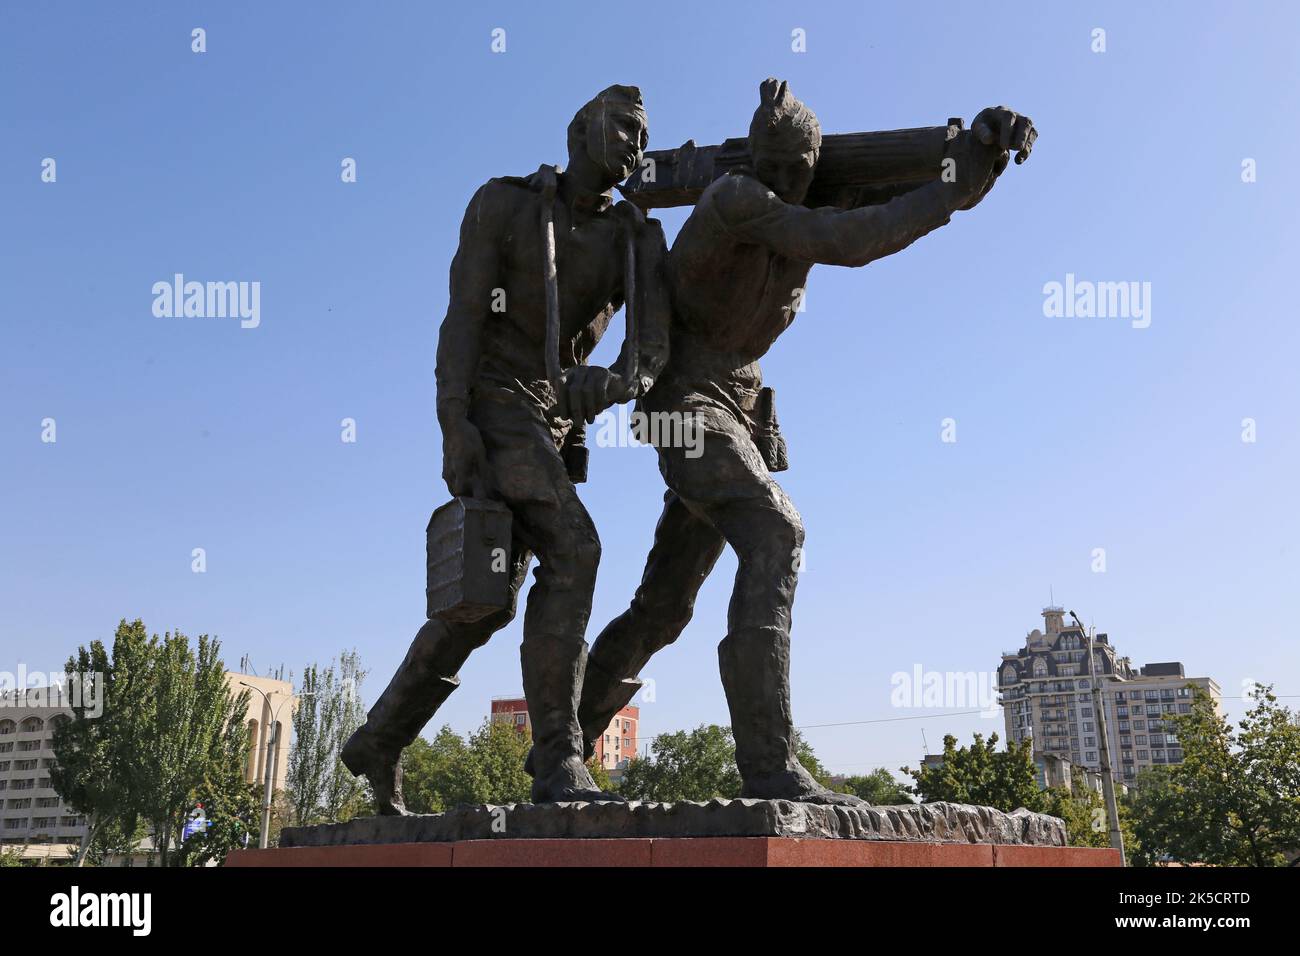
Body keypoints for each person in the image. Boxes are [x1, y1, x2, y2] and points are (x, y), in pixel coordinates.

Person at [342, 85, 671, 812]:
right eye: (622, 128)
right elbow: (462, 317)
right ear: (580, 131)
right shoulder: (505, 204)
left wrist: (616, 381)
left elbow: (651, 345)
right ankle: (558, 755)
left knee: (486, 604)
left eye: (644, 136)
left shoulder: (632, 236)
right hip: (494, 404)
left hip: (552, 424)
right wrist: (452, 422)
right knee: (576, 549)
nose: (634, 144)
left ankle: (380, 739)